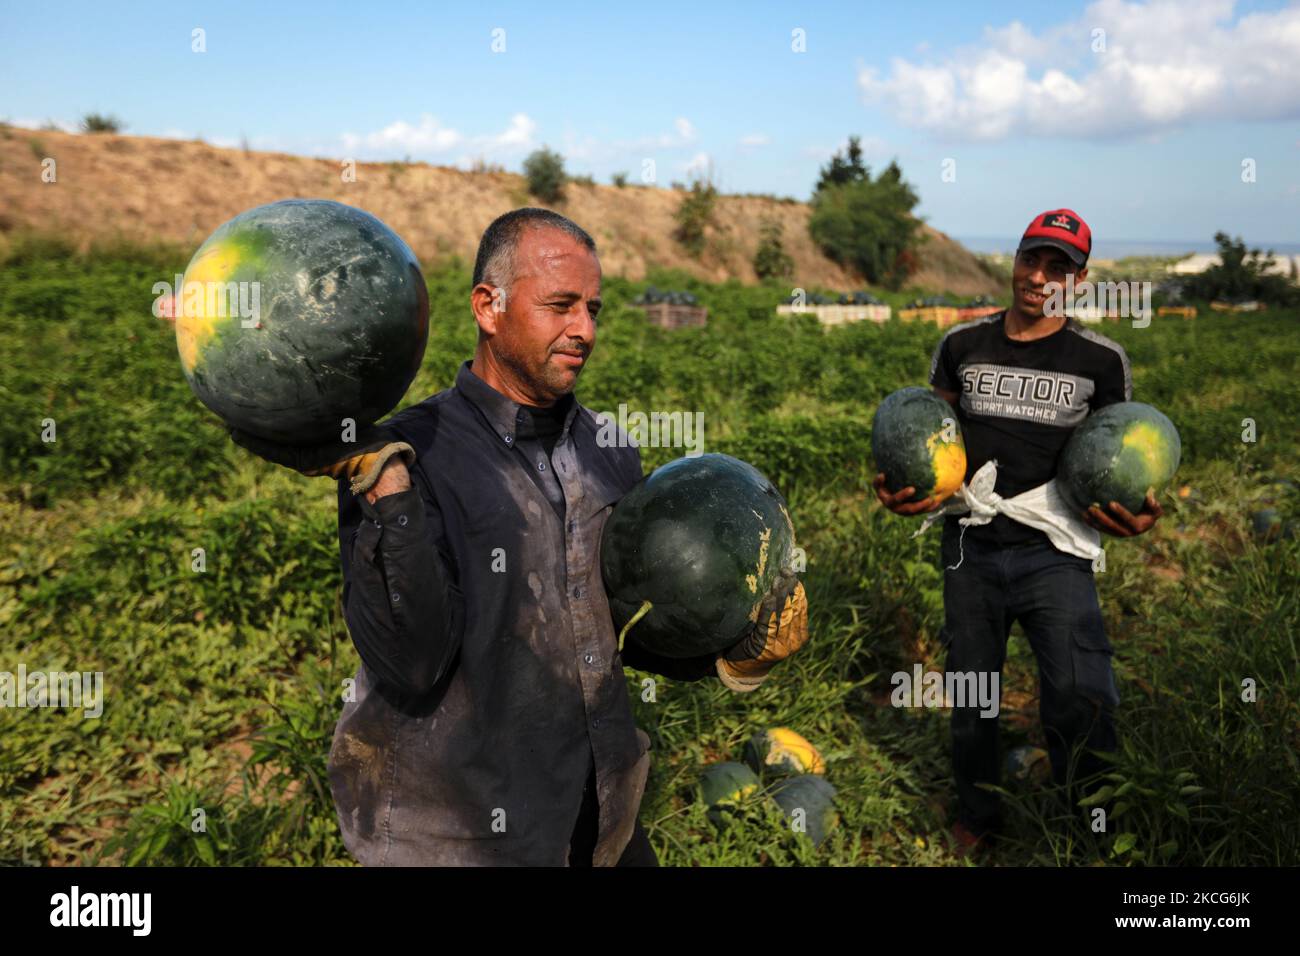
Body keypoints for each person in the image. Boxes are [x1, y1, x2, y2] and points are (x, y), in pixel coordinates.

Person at [232, 207, 809, 866]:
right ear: (488, 306)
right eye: (561, 305)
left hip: (595, 813)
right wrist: (387, 489)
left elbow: (616, 633)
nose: (584, 329)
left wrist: (738, 656)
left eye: (594, 308)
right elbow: (411, 667)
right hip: (461, 833)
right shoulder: (412, 454)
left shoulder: (607, 451)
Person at [873, 209, 1163, 856]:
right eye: (1031, 258)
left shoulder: (1100, 361)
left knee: (1080, 691)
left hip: (1053, 550)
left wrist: (1136, 513)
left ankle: (1089, 821)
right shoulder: (960, 347)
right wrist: (909, 492)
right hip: (970, 548)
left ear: (1080, 280)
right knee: (973, 691)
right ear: (1014, 259)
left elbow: (1117, 460)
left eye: (1058, 266)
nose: (1039, 277)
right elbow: (930, 441)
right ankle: (978, 814)